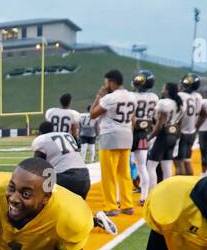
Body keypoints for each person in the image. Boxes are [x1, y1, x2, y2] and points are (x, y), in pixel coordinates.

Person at [89, 68, 136, 215]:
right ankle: (127, 204)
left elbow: (92, 114)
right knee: (124, 172)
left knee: (109, 174)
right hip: (127, 134)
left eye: (106, 82)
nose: (105, 85)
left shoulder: (109, 98)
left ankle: (111, 206)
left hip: (110, 135)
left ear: (112, 82)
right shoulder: (132, 96)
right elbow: (133, 119)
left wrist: (98, 96)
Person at [32, 120, 91, 202]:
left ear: (40, 131)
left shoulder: (41, 139)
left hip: (64, 177)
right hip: (84, 176)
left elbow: (37, 164)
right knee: (79, 207)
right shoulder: (67, 135)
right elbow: (78, 147)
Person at [129, 70, 158, 205]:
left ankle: (118, 198)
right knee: (142, 166)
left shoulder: (131, 96)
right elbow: (154, 117)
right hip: (143, 132)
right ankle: (144, 197)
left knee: (122, 167)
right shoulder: (154, 97)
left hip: (130, 132)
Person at [148, 81, 183, 188]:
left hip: (163, 135)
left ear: (167, 90)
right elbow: (179, 123)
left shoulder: (163, 103)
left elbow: (159, 126)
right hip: (173, 134)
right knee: (167, 165)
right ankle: (167, 191)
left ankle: (152, 194)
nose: (162, 90)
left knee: (151, 166)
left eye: (164, 88)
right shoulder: (179, 103)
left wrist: (149, 138)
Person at [176, 74, 204, 175]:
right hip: (191, 131)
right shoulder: (198, 96)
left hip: (182, 131)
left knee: (179, 161)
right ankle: (190, 185)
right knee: (187, 160)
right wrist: (196, 126)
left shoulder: (181, 96)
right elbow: (204, 113)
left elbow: (180, 114)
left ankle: (179, 185)